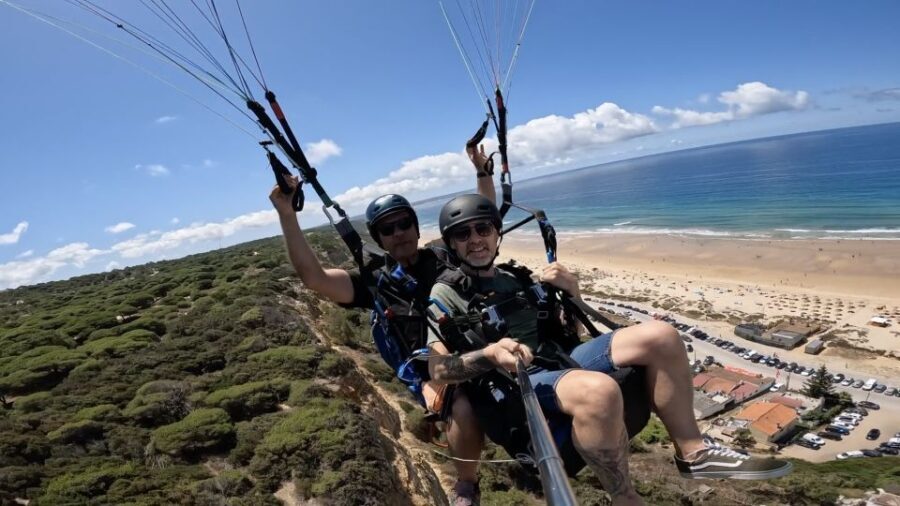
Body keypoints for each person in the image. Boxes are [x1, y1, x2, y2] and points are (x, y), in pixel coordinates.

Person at [425, 194, 793, 506]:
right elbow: (438, 370)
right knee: (599, 391)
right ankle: (625, 497)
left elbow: (564, 330)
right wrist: (490, 355)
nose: (475, 239)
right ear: (451, 242)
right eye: (463, 233)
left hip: (558, 360)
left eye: (483, 229)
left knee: (661, 336)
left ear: (496, 233)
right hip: (512, 384)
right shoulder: (444, 295)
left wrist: (573, 295)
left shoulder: (516, 278)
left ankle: (693, 452)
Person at [268, 143, 495, 506]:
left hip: (477, 347)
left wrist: (483, 173)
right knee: (464, 407)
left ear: (416, 227)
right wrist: (286, 214)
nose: (399, 232)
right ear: (379, 239)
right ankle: (466, 486)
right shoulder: (374, 284)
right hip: (434, 372)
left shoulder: (444, 255)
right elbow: (313, 277)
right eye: (388, 229)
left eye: (404, 223)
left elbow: (480, 221)